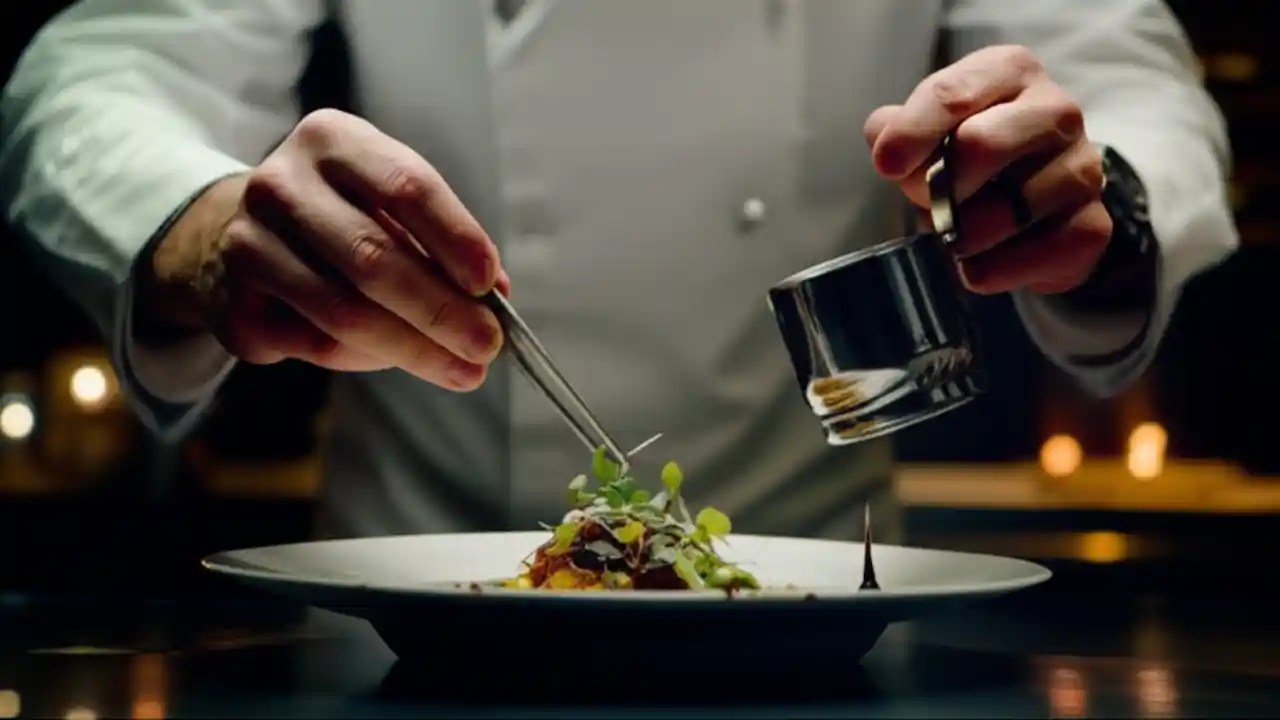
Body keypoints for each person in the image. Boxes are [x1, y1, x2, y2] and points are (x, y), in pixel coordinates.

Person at [0, 0, 1237, 543]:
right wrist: (205, 227)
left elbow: (1131, 80)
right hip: (417, 606)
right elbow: (97, 77)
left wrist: (1096, 198)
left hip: (809, 606)